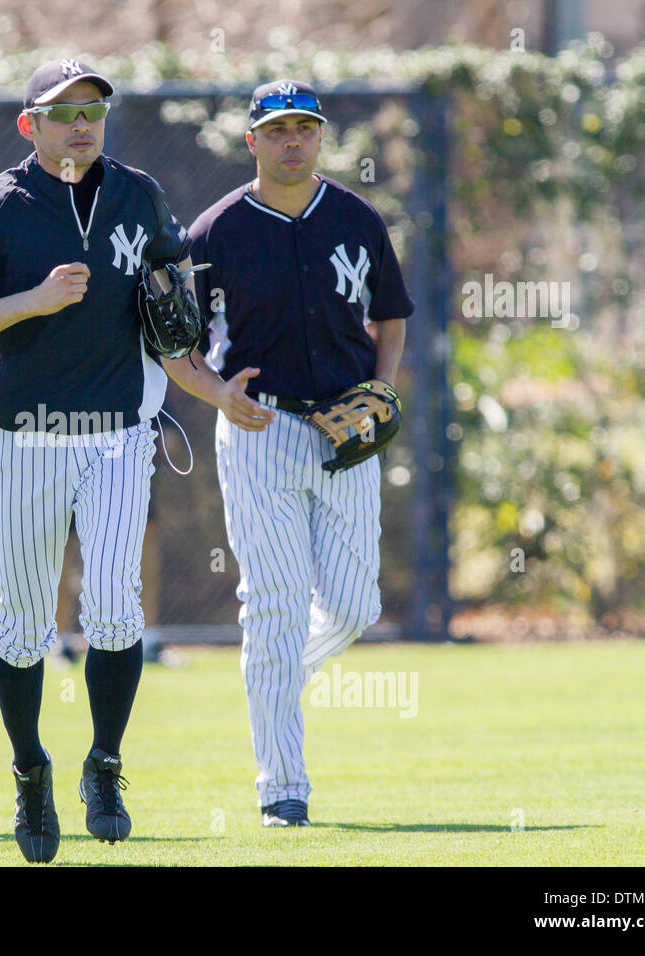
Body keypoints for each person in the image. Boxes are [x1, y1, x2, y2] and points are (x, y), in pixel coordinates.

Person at [0, 58, 268, 863]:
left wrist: (215, 392)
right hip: (25, 436)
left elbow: (170, 319)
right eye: (63, 111)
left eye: (94, 111)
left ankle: (105, 765)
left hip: (118, 431)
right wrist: (30, 302)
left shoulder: (138, 196)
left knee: (115, 608)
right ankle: (31, 771)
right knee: (21, 624)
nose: (82, 124)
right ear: (29, 125)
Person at [176, 80, 413, 827]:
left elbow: (391, 317)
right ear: (252, 141)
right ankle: (283, 787)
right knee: (273, 606)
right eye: (276, 130)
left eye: (304, 128)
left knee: (352, 607)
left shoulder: (355, 216)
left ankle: (269, 675)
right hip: (259, 430)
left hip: (346, 431)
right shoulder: (213, 232)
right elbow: (174, 343)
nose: (292, 141)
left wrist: (380, 390)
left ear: (319, 138)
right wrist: (217, 395)